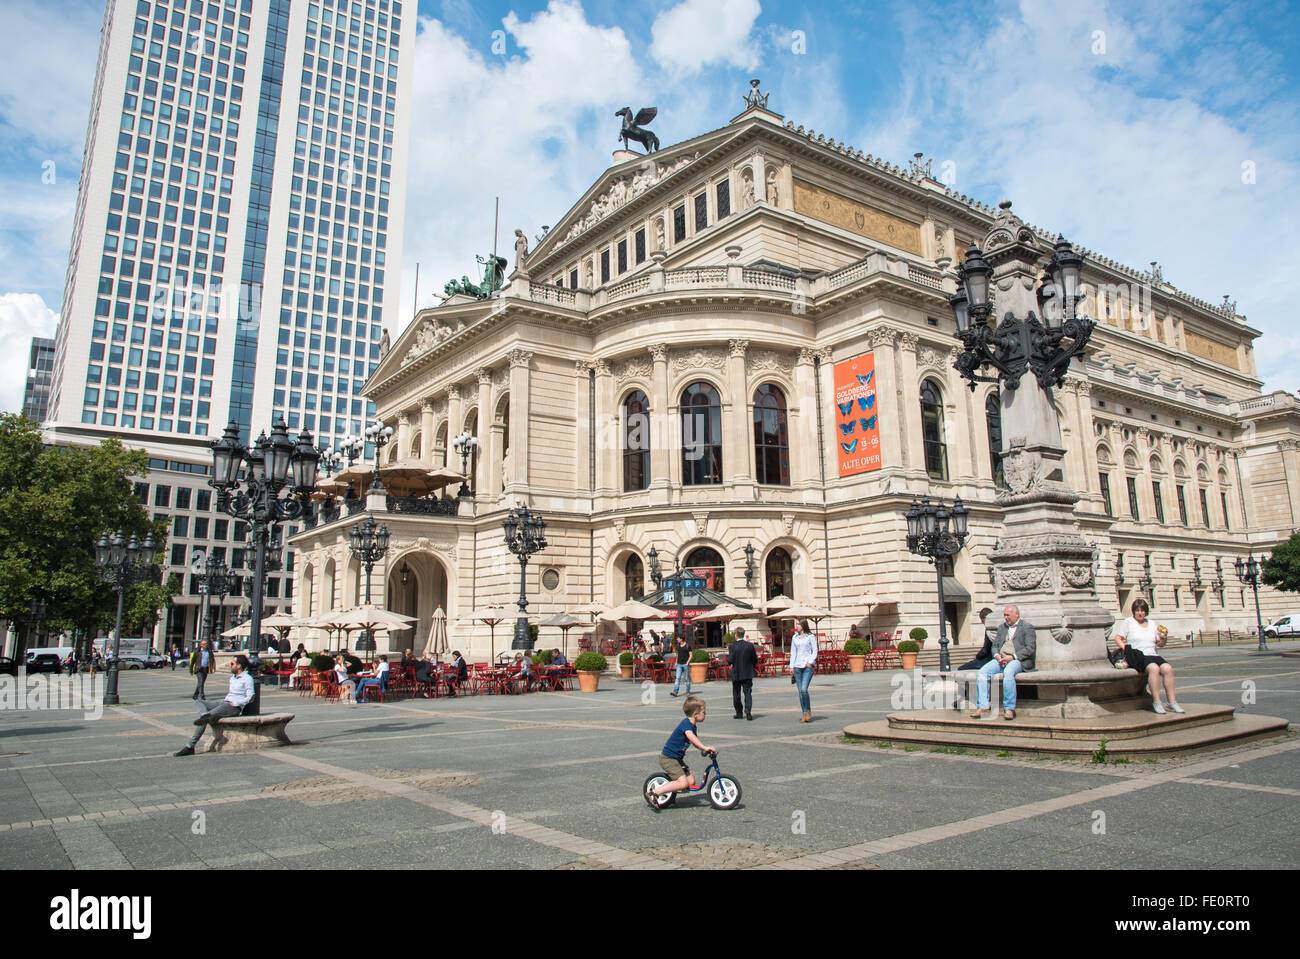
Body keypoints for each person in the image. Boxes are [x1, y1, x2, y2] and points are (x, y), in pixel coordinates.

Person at [174, 655, 255, 756]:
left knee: (205, 718)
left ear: (239, 666)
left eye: (232, 663)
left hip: (233, 707)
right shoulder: (232, 678)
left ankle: (190, 746)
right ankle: (205, 715)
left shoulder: (247, 678)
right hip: (225, 702)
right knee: (199, 701)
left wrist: (237, 703)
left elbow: (251, 697)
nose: (230, 665)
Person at [645, 695, 715, 811]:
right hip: (669, 758)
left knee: (691, 781)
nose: (705, 714)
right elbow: (691, 737)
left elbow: (694, 742)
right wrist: (704, 747)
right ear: (695, 714)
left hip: (677, 759)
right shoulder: (686, 725)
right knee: (683, 783)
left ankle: (670, 792)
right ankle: (654, 793)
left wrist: (703, 749)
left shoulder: (692, 726)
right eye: (704, 712)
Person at [1113, 598, 1182, 714]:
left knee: (1168, 668)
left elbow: (1159, 644)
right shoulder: (1128, 622)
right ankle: (1156, 701)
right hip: (1137, 655)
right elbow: (1118, 638)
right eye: (1137, 610)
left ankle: (1172, 702)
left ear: (1146, 612)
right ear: (1133, 611)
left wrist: (1163, 639)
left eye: (1142, 610)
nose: (1140, 613)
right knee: (1154, 668)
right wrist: (1127, 650)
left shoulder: (1152, 624)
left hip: (1152, 653)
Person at [972, 605, 1036, 720]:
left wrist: (1012, 657)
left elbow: (1030, 648)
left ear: (1016, 615)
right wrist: (997, 656)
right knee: (983, 672)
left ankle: (1009, 708)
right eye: (1005, 615)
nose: (1006, 618)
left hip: (1018, 660)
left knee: (1009, 672)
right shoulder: (1002, 628)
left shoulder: (1027, 627)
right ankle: (983, 706)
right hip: (1001, 659)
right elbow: (995, 646)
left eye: (1008, 615)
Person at [727, 626, 759, 721]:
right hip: (747, 672)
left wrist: (730, 662)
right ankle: (748, 709)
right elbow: (754, 659)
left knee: (736, 694)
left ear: (736, 635)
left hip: (736, 673)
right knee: (748, 692)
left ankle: (739, 712)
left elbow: (730, 660)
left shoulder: (732, 647)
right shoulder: (749, 645)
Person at [789, 620, 817, 722]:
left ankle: (808, 710)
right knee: (800, 691)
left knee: (804, 689)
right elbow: (793, 652)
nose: (797, 626)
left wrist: (810, 661)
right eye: (796, 624)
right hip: (797, 666)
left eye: (798, 624)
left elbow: (815, 650)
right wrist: (791, 666)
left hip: (807, 666)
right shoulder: (794, 637)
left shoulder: (810, 636)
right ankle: (804, 712)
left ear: (803, 625)